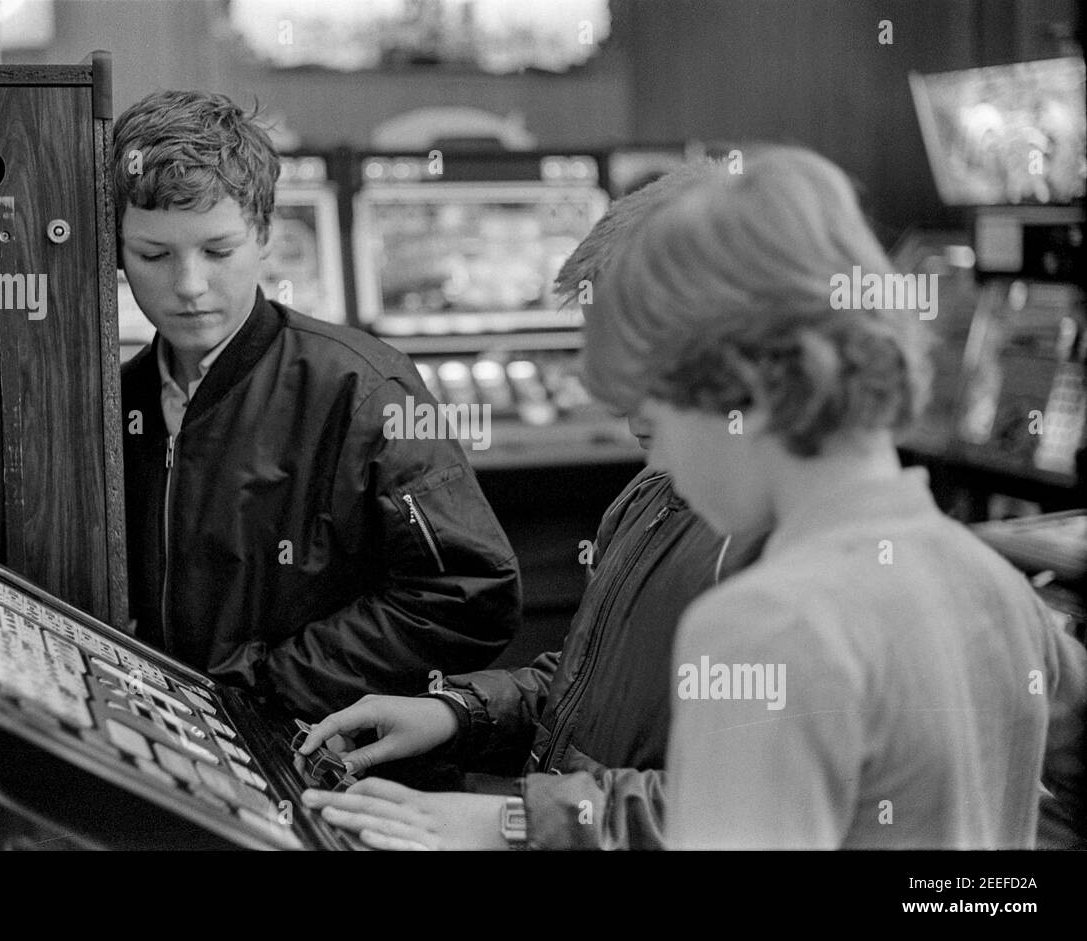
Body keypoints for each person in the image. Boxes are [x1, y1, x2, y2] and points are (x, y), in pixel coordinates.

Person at [302, 146, 1087, 849]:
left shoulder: (770, 618)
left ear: (737, 380)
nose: (643, 432)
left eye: (654, 399)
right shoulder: (996, 587)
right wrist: (462, 714)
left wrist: (513, 827)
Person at [299, 162, 766, 850]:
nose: (612, 395)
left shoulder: (786, 547)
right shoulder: (653, 492)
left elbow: (750, 819)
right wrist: (456, 712)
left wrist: (512, 819)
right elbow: (588, 687)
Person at [115, 90, 521, 718]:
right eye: (153, 255)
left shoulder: (365, 388)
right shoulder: (116, 399)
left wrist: (267, 683)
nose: (188, 286)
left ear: (265, 235)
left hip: (342, 761)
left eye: (217, 251)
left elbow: (468, 595)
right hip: (180, 743)